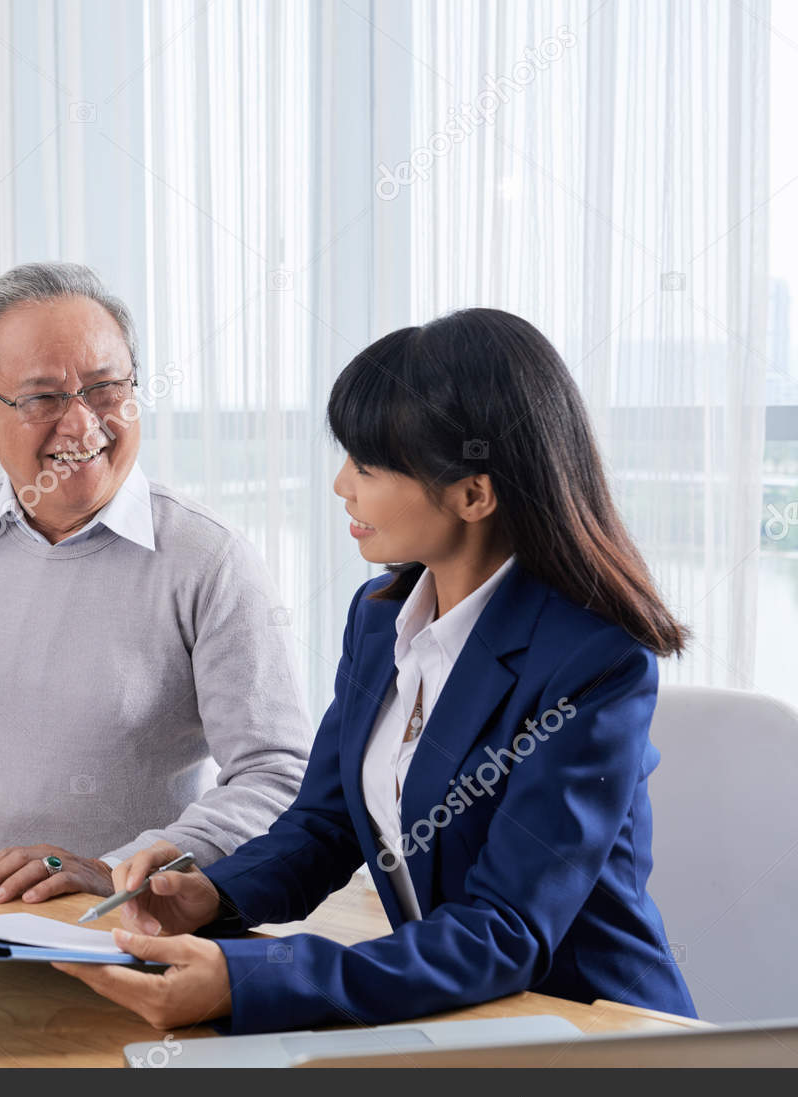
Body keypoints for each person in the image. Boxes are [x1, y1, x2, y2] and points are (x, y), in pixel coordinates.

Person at [55, 308, 697, 1032]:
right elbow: (328, 824)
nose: (340, 485)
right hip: (444, 1013)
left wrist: (249, 979)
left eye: (367, 464)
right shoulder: (378, 615)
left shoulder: (594, 657)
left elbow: (505, 929)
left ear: (473, 494)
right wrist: (212, 894)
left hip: (588, 1031)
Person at [0, 261, 312, 903]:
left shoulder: (210, 559)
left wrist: (112, 870)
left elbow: (274, 774)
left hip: (128, 927)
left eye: (105, 388)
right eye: (43, 398)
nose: (83, 424)